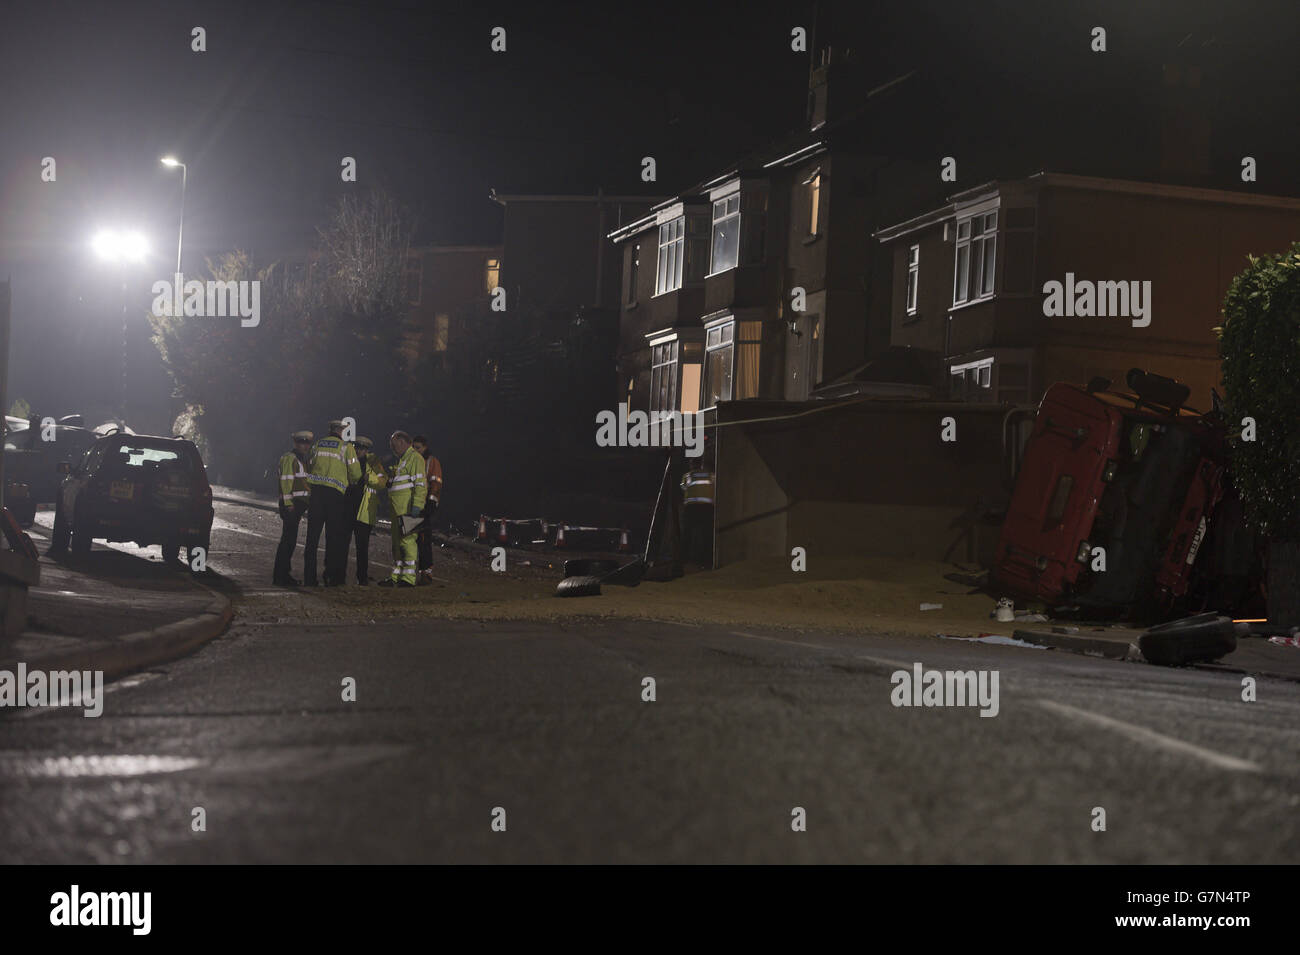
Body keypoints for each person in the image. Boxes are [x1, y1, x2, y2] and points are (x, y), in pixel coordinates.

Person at [303, 419, 361, 587]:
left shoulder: (318, 445)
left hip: (317, 495)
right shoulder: (346, 447)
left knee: (312, 538)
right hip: (335, 496)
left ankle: (309, 578)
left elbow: (310, 464)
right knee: (333, 538)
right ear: (341, 431)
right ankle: (330, 576)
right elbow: (356, 474)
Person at [380, 430, 426, 588]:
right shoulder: (402, 460)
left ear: (403, 442)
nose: (392, 448)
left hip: (408, 508)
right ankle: (396, 576)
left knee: (407, 542)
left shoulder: (415, 458)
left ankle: (409, 578)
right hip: (397, 509)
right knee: (397, 543)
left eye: (394, 445)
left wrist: (417, 506)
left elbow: (420, 485)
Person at [273, 430, 313, 586]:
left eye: (307, 443)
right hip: (292, 506)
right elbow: (286, 481)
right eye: (301, 443)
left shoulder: (302, 460)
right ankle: (280, 576)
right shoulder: (290, 458)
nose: (304, 446)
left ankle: (283, 574)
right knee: (287, 541)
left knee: (290, 541)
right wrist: (289, 504)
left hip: (298, 505)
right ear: (296, 443)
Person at [352, 436, 387, 585]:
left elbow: (383, 482)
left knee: (362, 547)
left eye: (362, 448)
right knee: (339, 544)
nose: (359, 450)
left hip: (364, 511)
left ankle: (362, 577)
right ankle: (336, 575)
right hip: (348, 509)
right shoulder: (349, 459)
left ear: (367, 450)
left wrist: (370, 478)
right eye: (357, 447)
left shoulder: (373, 462)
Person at [411, 434, 443, 583]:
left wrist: (430, 504)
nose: (415, 450)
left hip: (424, 507)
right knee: (411, 541)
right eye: (413, 448)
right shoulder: (412, 461)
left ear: (425, 447)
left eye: (418, 448)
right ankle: (411, 573)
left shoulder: (431, 462)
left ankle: (426, 573)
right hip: (412, 506)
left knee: (424, 541)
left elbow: (436, 484)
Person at [679, 452, 715, 568]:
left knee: (687, 534)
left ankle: (684, 559)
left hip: (691, 508)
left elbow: (683, 487)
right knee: (706, 534)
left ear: (692, 464)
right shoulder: (711, 475)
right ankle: (706, 560)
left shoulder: (688, 476)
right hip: (707, 508)